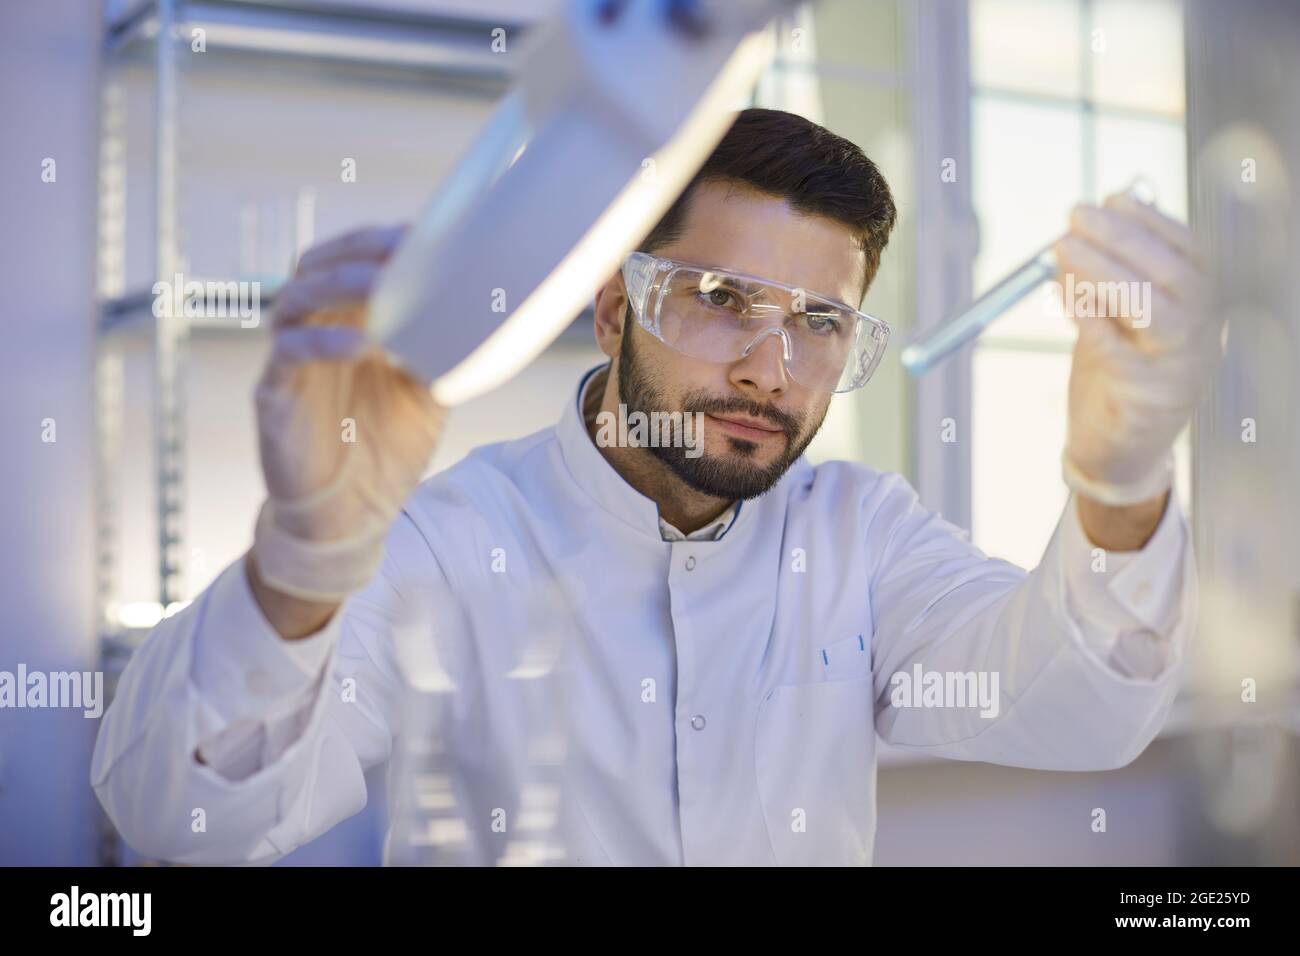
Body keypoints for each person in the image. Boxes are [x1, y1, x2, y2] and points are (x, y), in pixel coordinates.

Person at [92, 108, 1219, 865]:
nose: (766, 369)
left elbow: (1079, 708)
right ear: (613, 308)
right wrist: (302, 560)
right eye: (720, 296)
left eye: (818, 322)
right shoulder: (448, 539)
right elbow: (177, 811)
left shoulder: (863, 536)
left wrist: (1117, 476)